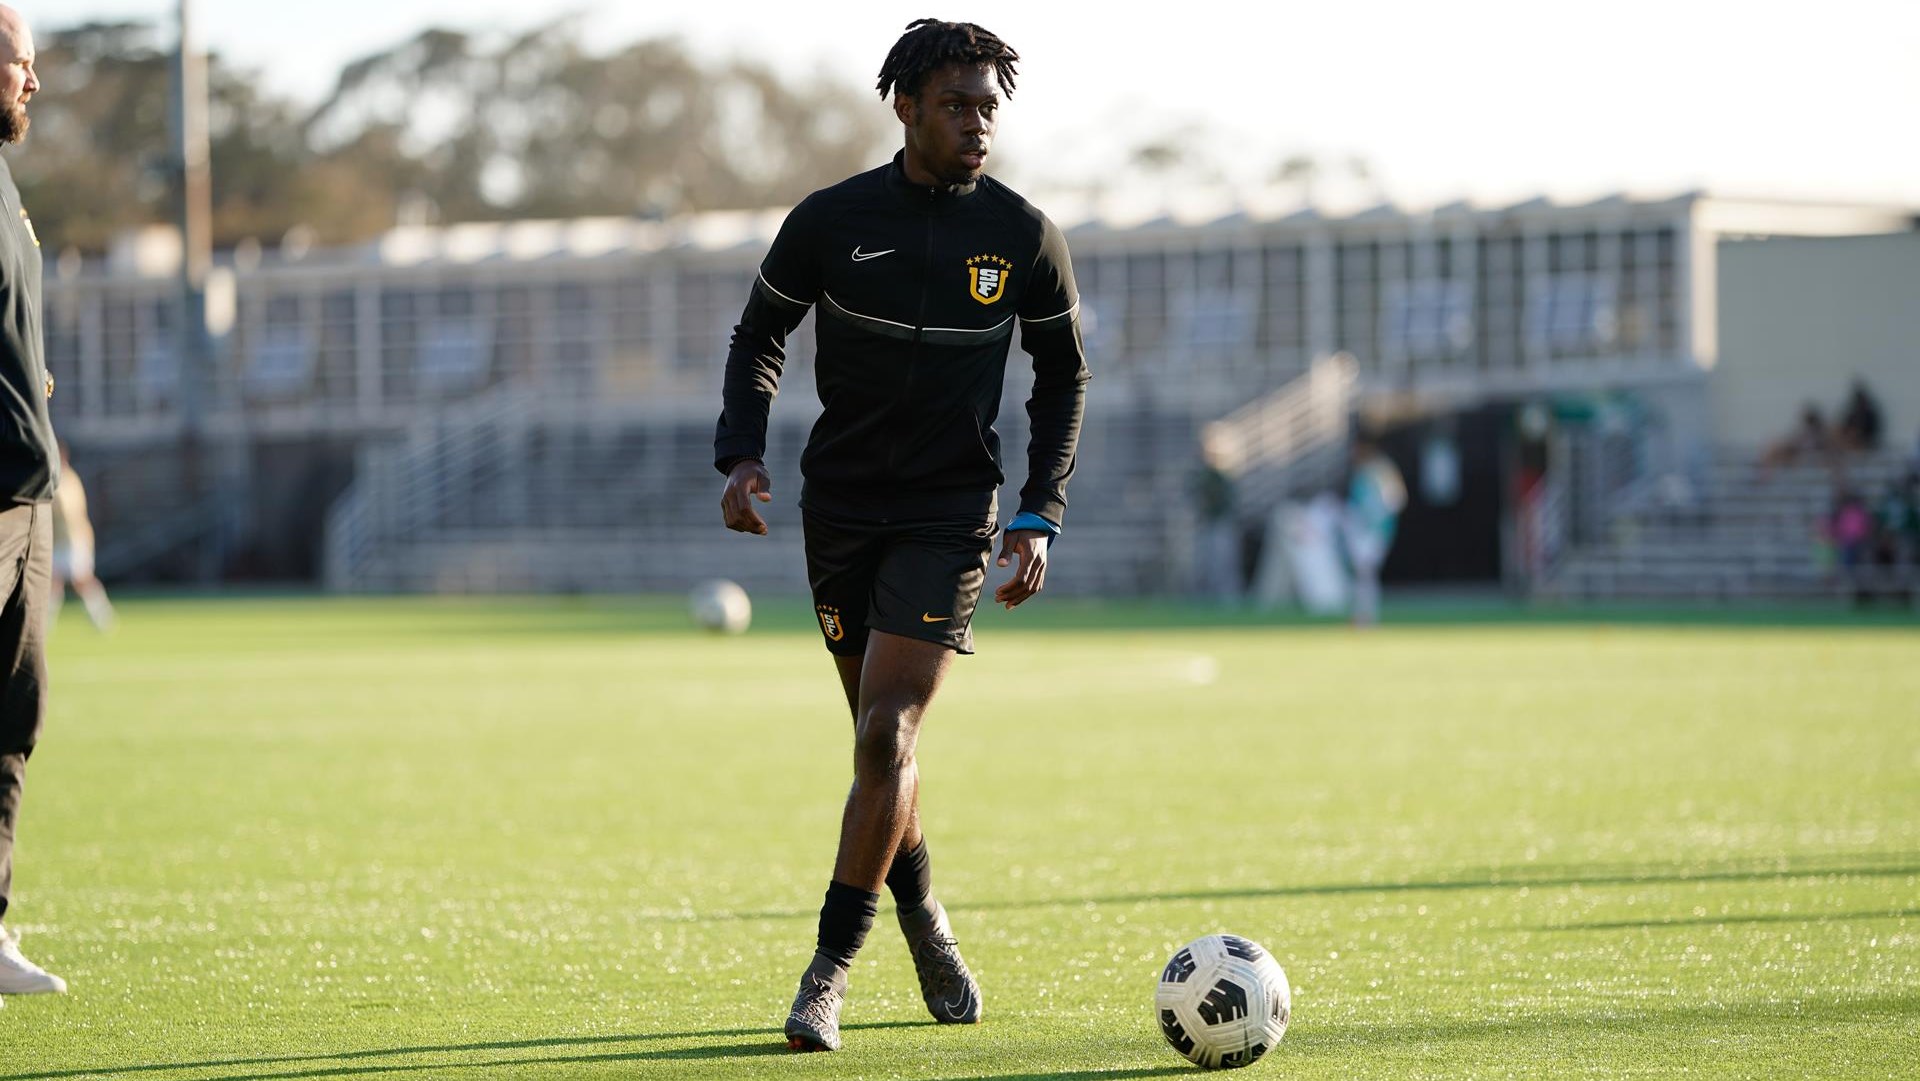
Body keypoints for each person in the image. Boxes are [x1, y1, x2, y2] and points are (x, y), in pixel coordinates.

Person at [712, 19, 1089, 1053]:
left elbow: (1064, 376)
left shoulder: (1023, 236)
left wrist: (1040, 510)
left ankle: (827, 972)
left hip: (950, 514)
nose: (977, 124)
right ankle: (923, 910)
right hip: (838, 509)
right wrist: (740, 454)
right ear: (907, 107)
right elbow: (760, 333)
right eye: (957, 105)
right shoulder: (831, 220)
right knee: (878, 745)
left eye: (988, 107)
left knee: (888, 735)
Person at [0, 3, 68, 1002]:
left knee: (12, 720)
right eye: (20, 61)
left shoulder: (7, 185)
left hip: (28, 499)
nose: (34, 80)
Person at [1342, 439, 1406, 628]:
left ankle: (1366, 617)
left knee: (1365, 572)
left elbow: (1395, 501)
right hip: (1360, 530)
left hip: (1375, 531)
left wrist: (1376, 520)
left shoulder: (1382, 471)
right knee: (1361, 574)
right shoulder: (1361, 474)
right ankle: (1361, 615)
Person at [50, 442, 114, 632]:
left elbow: (67, 513)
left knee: (81, 581)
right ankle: (43, 623)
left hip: (71, 540)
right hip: (60, 541)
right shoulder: (60, 479)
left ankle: (102, 616)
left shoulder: (66, 480)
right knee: (53, 584)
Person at [1191, 433, 1239, 604]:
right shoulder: (1201, 475)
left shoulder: (1222, 476)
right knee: (1205, 564)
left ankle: (1227, 598)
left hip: (1220, 522)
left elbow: (1228, 500)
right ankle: (1205, 597)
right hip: (1206, 523)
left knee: (1223, 562)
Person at [1835, 379, 1883, 454]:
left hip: (1865, 443)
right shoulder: (1852, 414)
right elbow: (1844, 427)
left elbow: (1873, 432)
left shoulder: (1870, 415)